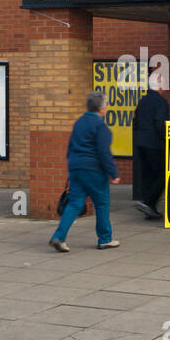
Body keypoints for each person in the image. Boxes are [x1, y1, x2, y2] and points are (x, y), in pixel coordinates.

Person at [49, 90, 121, 252]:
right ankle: (105, 239)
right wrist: (113, 173)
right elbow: (104, 152)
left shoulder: (79, 122)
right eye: (106, 105)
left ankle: (59, 237)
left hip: (76, 167)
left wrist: (71, 168)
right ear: (102, 109)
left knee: (74, 203)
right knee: (102, 203)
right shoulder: (101, 127)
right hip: (93, 170)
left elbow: (70, 147)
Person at [132, 72, 169, 219]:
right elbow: (161, 124)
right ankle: (148, 202)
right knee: (164, 174)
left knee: (148, 175)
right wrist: (166, 139)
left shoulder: (143, 100)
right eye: (164, 83)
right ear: (159, 85)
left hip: (141, 143)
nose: (166, 87)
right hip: (155, 144)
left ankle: (150, 209)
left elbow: (135, 122)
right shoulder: (161, 102)